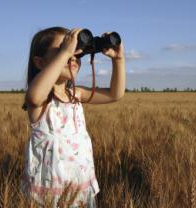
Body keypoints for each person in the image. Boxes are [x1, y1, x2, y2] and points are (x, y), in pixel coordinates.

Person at [20, 26, 126, 207]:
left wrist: (118, 60)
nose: (73, 56)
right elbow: (34, 95)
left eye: (77, 52)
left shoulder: (76, 94)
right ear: (40, 63)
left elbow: (115, 94)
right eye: (64, 49)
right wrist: (65, 53)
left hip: (80, 188)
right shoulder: (42, 101)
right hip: (48, 194)